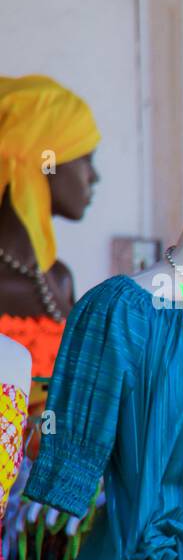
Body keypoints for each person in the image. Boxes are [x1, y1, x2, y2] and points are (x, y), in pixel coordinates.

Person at [0, 75, 100, 441]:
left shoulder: (59, 278)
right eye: (85, 159)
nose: (95, 176)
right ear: (44, 162)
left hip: (43, 491)